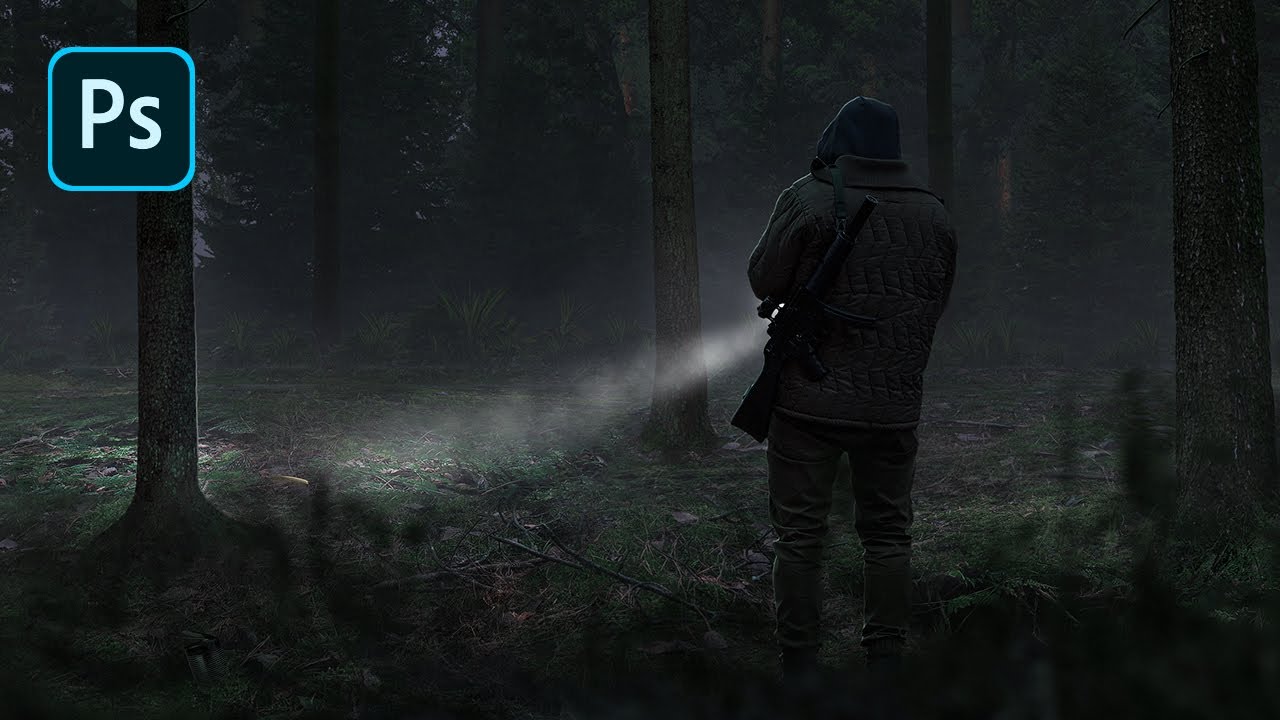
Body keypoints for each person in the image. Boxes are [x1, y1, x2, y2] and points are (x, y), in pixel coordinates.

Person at [747, 96, 958, 695]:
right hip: (892, 405)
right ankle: (886, 668)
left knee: (799, 537)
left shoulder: (808, 197)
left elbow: (762, 278)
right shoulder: (936, 214)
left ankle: (799, 671)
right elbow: (935, 304)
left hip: (806, 405)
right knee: (888, 537)